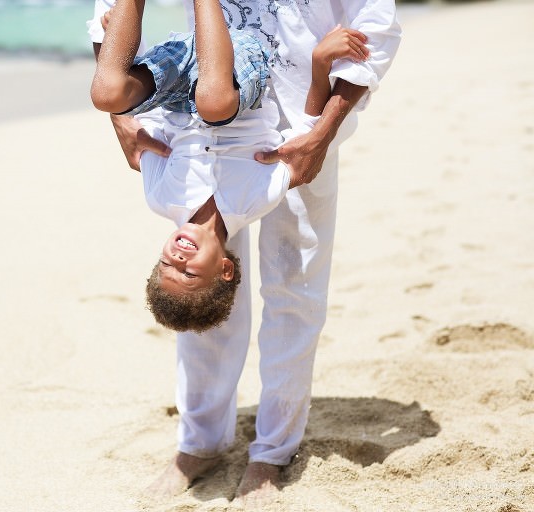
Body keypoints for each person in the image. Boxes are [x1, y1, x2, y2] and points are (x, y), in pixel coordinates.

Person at [88, 0, 401, 506]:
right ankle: (200, 443)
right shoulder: (187, 213)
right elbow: (107, 26)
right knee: (201, 308)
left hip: (302, 114)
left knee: (294, 292)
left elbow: (377, 24)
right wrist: (121, 116)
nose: (176, 254)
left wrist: (323, 127)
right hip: (208, 84)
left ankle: (272, 453)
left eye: (167, 259)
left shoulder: (170, 195)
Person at [91, 0, 369, 332]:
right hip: (237, 65)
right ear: (225, 269)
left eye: (167, 265)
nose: (179, 260)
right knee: (214, 104)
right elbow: (304, 137)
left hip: (181, 71)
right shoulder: (255, 200)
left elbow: (146, 126)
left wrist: (120, 40)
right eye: (190, 273)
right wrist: (320, 62)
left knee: (107, 95)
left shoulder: (161, 197)